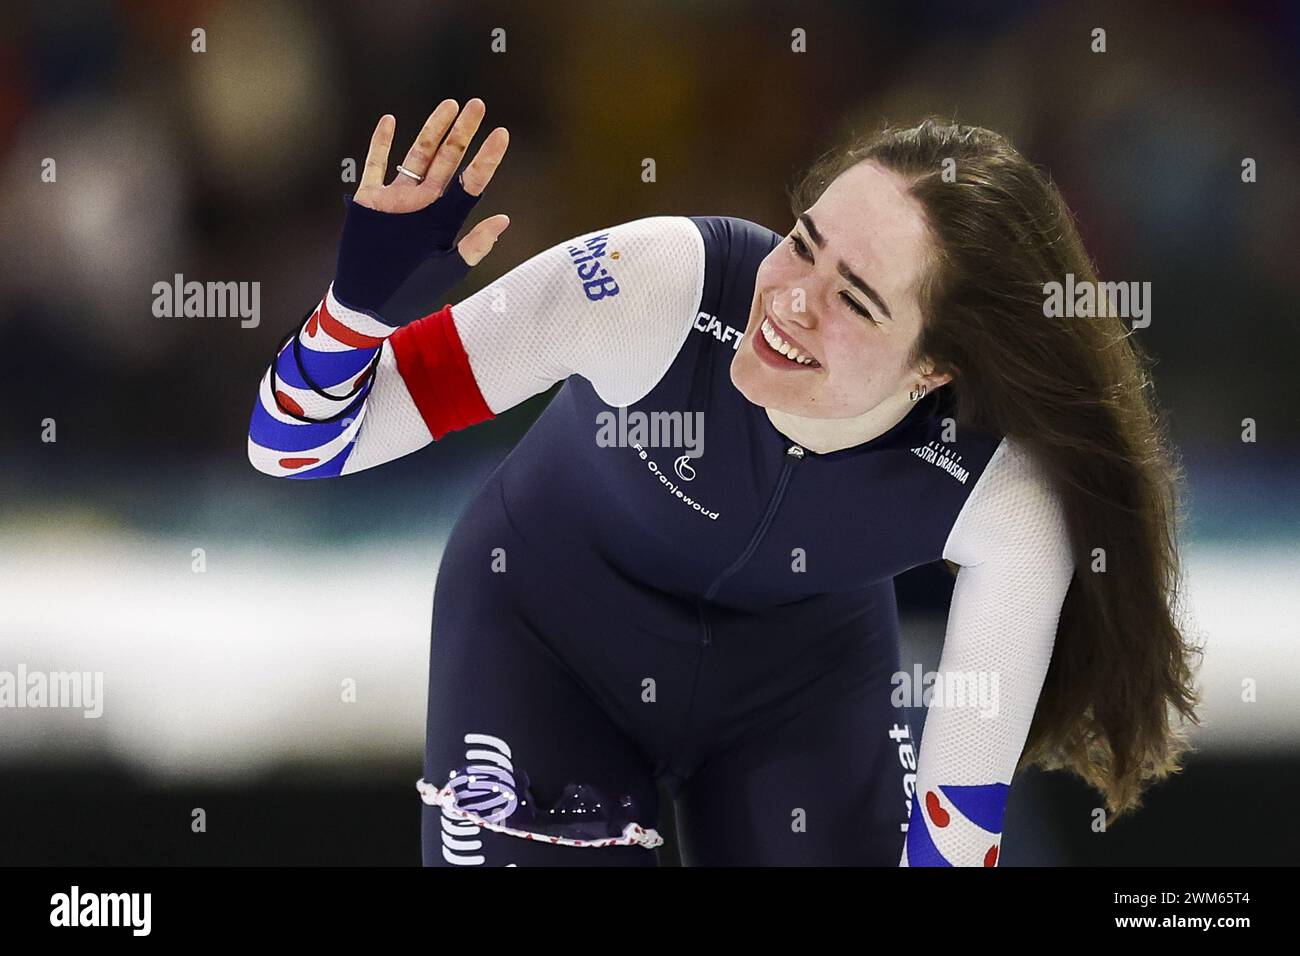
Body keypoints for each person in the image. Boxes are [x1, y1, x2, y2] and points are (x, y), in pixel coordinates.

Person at [247, 98, 1201, 866]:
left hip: (801, 689)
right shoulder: (654, 287)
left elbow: (956, 837)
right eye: (802, 241)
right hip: (543, 648)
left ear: (934, 371)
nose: (790, 302)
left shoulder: (1007, 497)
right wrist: (354, 313)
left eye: (854, 301)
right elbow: (292, 450)